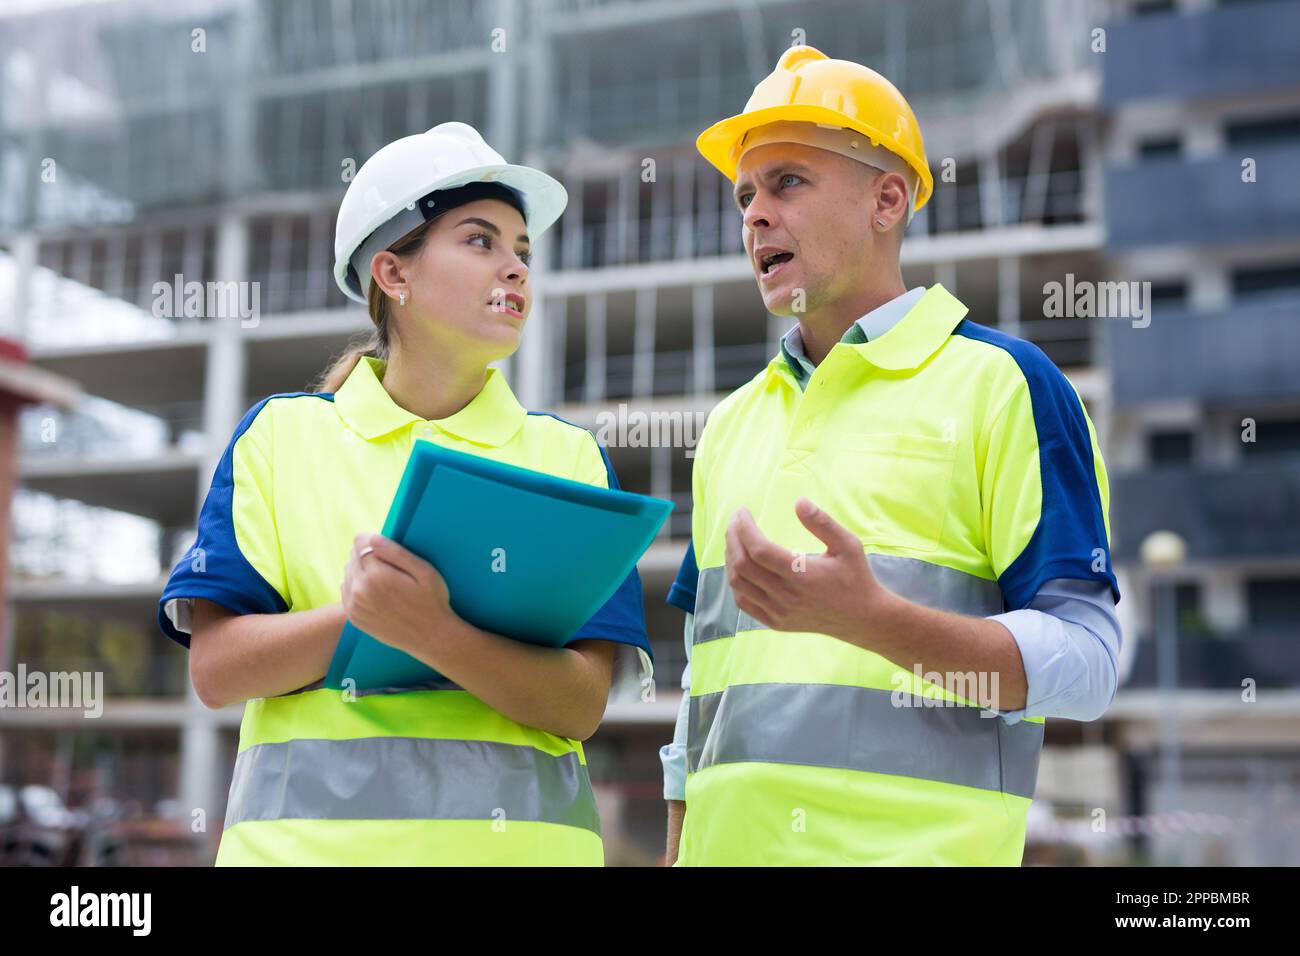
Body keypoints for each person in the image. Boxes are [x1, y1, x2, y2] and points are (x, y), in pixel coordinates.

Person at [660, 47, 1122, 866]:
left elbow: (1087, 666)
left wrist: (874, 622)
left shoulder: (1008, 385)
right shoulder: (731, 424)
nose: (754, 215)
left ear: (888, 198)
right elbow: (701, 694)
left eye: (787, 183)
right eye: (744, 194)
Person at [158, 122, 652, 866]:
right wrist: (366, 617)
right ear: (394, 274)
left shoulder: (568, 455)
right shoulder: (279, 439)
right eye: (481, 241)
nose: (515, 268)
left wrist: (435, 632)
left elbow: (580, 705)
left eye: (522, 250)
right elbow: (218, 669)